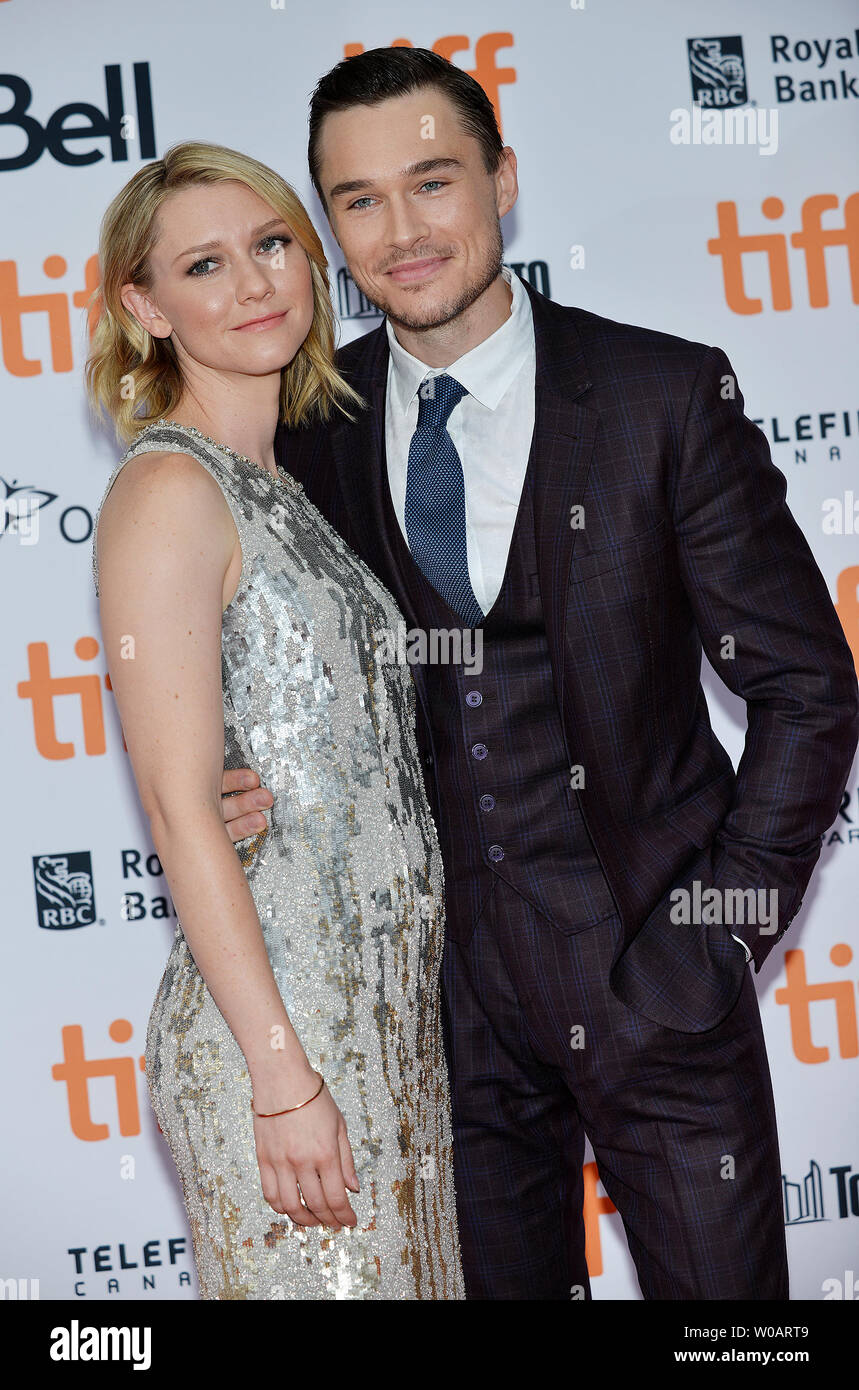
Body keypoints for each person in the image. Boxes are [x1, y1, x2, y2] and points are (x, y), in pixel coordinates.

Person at [218, 49, 859, 1300]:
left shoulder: (657, 392)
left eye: (434, 181)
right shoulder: (314, 428)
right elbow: (304, 682)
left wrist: (712, 941)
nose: (401, 232)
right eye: (358, 200)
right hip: (438, 1018)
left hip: (656, 985)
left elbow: (807, 688)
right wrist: (248, 779)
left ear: (502, 182)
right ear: (327, 225)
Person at [87, 140, 464, 1300]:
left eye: (269, 246)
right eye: (204, 265)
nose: (253, 285)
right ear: (143, 306)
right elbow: (178, 807)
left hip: (389, 1029)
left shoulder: (292, 482)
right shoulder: (167, 490)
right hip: (287, 1043)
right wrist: (282, 1074)